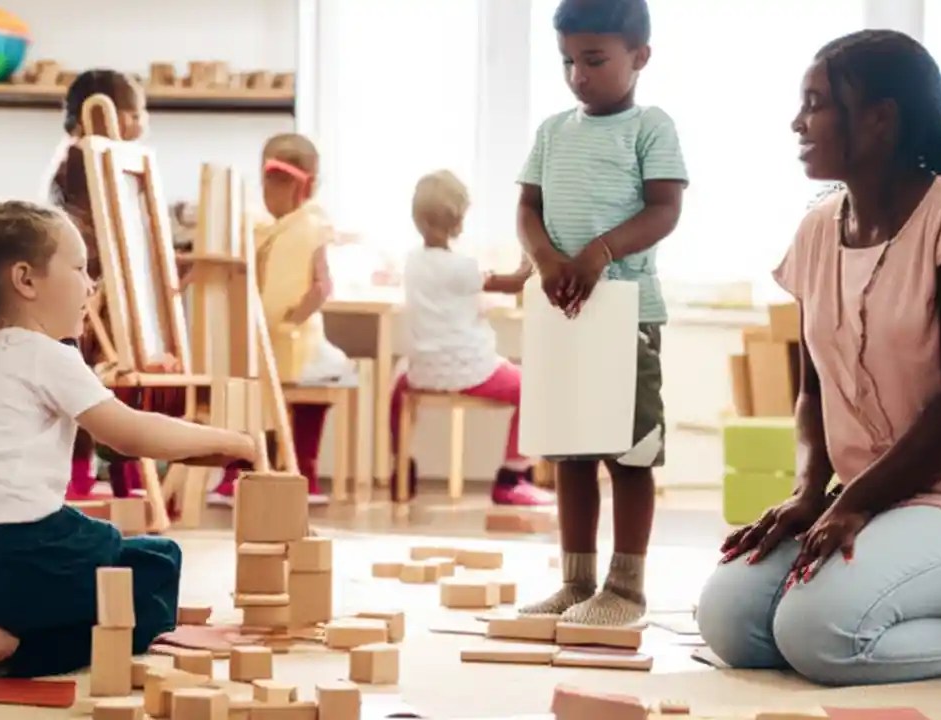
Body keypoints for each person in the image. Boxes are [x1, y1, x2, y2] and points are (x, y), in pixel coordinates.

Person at [695, 29, 941, 687]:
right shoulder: (815, 230)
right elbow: (813, 390)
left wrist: (856, 500)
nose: (797, 122)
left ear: (880, 119)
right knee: (731, 621)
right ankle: (885, 601)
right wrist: (811, 491)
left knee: (816, 632)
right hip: (874, 500)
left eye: (816, 104)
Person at [0, 201, 256, 679]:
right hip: (17, 557)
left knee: (92, 540)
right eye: (79, 268)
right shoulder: (43, 354)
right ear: (26, 280)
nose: (90, 284)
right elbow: (130, 433)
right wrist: (234, 441)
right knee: (155, 565)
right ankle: (21, 647)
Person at [516, 0, 687, 626]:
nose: (578, 76)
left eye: (594, 60)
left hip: (628, 314)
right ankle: (576, 582)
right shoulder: (552, 132)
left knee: (630, 453)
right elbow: (527, 210)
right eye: (567, 61)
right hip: (564, 312)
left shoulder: (651, 127)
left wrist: (600, 252)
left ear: (639, 57)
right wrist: (546, 260)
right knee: (571, 452)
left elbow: (665, 208)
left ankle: (626, 588)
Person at [392, 170, 555, 506]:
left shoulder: (412, 263)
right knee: (537, 390)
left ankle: (401, 464)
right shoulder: (462, 267)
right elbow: (513, 282)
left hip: (424, 370)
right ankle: (512, 477)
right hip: (469, 370)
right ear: (459, 221)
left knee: (396, 383)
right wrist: (532, 249)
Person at [210, 133, 354, 505]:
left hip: (276, 343)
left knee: (267, 390)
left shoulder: (283, 228)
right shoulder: (284, 229)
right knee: (264, 386)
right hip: (277, 342)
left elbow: (319, 286)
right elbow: (317, 287)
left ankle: (267, 470)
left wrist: (286, 320)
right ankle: (275, 469)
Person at [46, 69, 155, 502]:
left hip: (100, 287)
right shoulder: (84, 158)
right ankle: (79, 478)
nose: (142, 122)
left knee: (109, 387)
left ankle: (120, 478)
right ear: (105, 116)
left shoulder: (101, 159)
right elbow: (94, 230)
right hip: (86, 291)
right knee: (91, 386)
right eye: (137, 112)